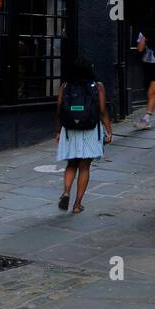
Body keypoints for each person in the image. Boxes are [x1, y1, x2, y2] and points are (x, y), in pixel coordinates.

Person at [55, 57, 112, 214]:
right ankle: (77, 205)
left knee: (71, 164)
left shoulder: (65, 86)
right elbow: (102, 110)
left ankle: (66, 191)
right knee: (85, 167)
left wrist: (58, 131)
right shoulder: (98, 86)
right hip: (90, 128)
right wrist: (109, 129)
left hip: (70, 128)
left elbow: (59, 110)